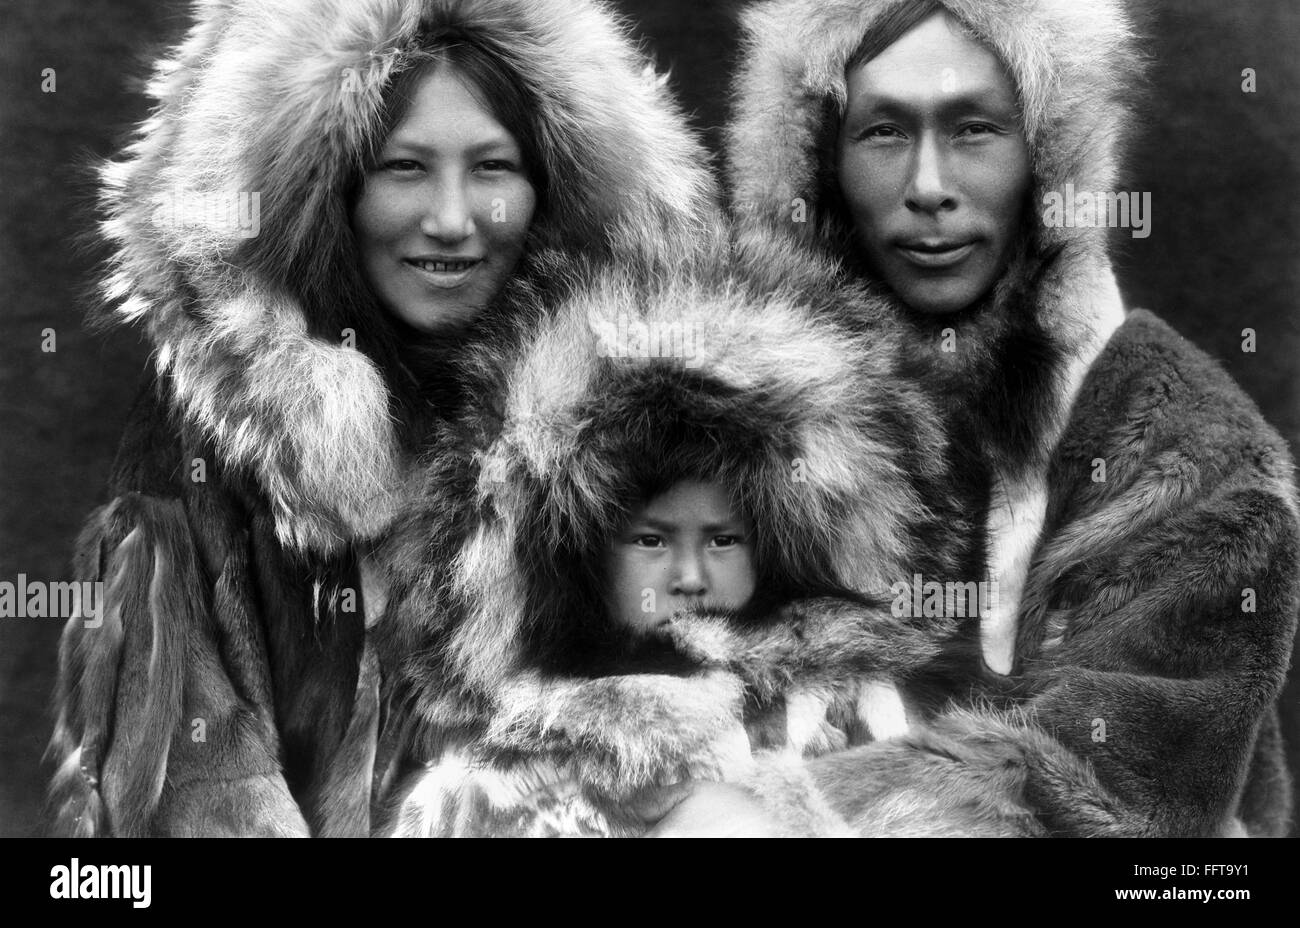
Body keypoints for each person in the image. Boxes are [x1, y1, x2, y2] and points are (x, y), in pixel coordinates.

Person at [46, 0, 715, 838]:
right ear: (335, 193)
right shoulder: (218, 450)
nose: (452, 218)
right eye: (405, 168)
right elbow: (165, 805)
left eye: (491, 167)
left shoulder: (627, 441)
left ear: (548, 191)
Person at [697, 0, 1300, 837]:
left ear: (1047, 159)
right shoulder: (730, 412)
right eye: (884, 131)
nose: (929, 187)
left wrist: (766, 813)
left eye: (974, 129)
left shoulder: (1190, 441)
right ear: (816, 161)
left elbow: (1113, 794)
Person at [370, 230, 983, 837]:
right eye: (652, 541)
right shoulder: (488, 784)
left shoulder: (850, 716)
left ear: (776, 555)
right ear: (580, 562)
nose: (690, 576)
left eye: (722, 541)